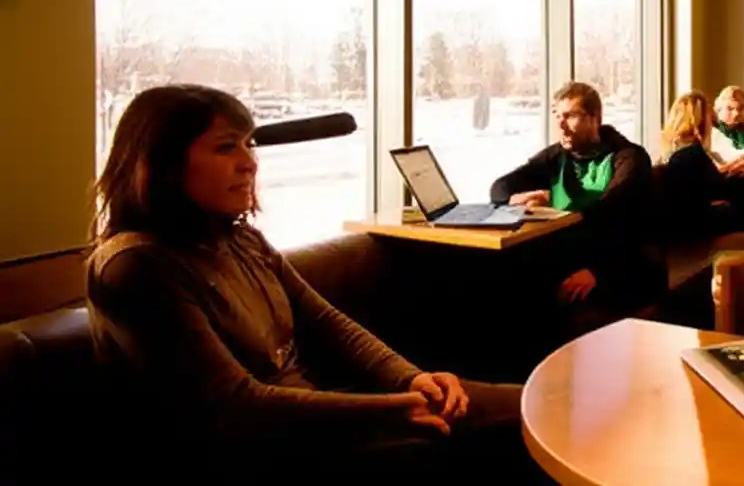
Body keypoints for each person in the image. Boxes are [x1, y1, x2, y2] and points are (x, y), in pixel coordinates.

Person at [85, 85, 537, 484]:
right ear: (162, 164)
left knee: (539, 407)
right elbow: (233, 407)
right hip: (261, 457)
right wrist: (397, 411)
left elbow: (326, 322)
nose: (249, 163)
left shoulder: (240, 238)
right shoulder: (136, 267)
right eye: (226, 148)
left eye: (249, 145)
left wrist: (413, 379)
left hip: (326, 418)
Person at [490, 82, 662, 338]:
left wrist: (598, 273)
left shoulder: (629, 158)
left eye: (570, 116)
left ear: (595, 118)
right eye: (557, 116)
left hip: (625, 263)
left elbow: (614, 215)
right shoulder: (556, 155)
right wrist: (517, 198)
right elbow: (499, 188)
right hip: (573, 255)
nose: (560, 125)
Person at [658, 91, 744, 237]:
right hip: (696, 227)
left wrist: (729, 171)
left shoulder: (677, 152)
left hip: (688, 223)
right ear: (701, 122)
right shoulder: (692, 154)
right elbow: (713, 190)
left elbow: (705, 186)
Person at [710, 85, 744, 174]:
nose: (736, 113)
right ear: (718, 110)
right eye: (730, 109)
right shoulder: (712, 134)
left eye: (740, 108)